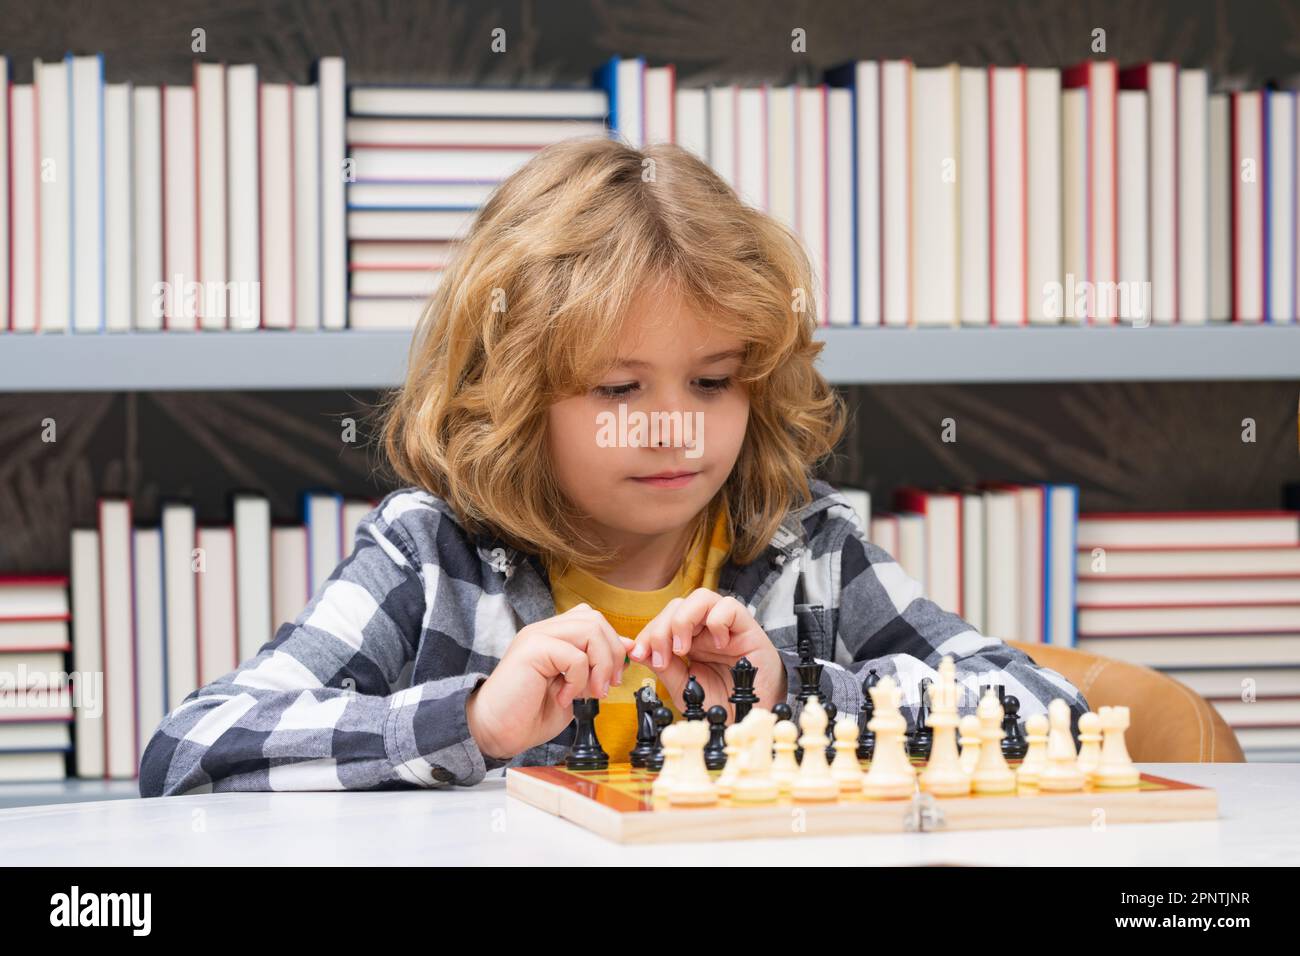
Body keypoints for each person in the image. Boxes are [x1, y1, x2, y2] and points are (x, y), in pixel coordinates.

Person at [139, 137, 1088, 797]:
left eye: (713, 381)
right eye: (618, 391)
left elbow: (1054, 714)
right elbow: (189, 748)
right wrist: (472, 721)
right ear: (510, 394)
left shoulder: (806, 548)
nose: (675, 430)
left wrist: (796, 692)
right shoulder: (430, 557)